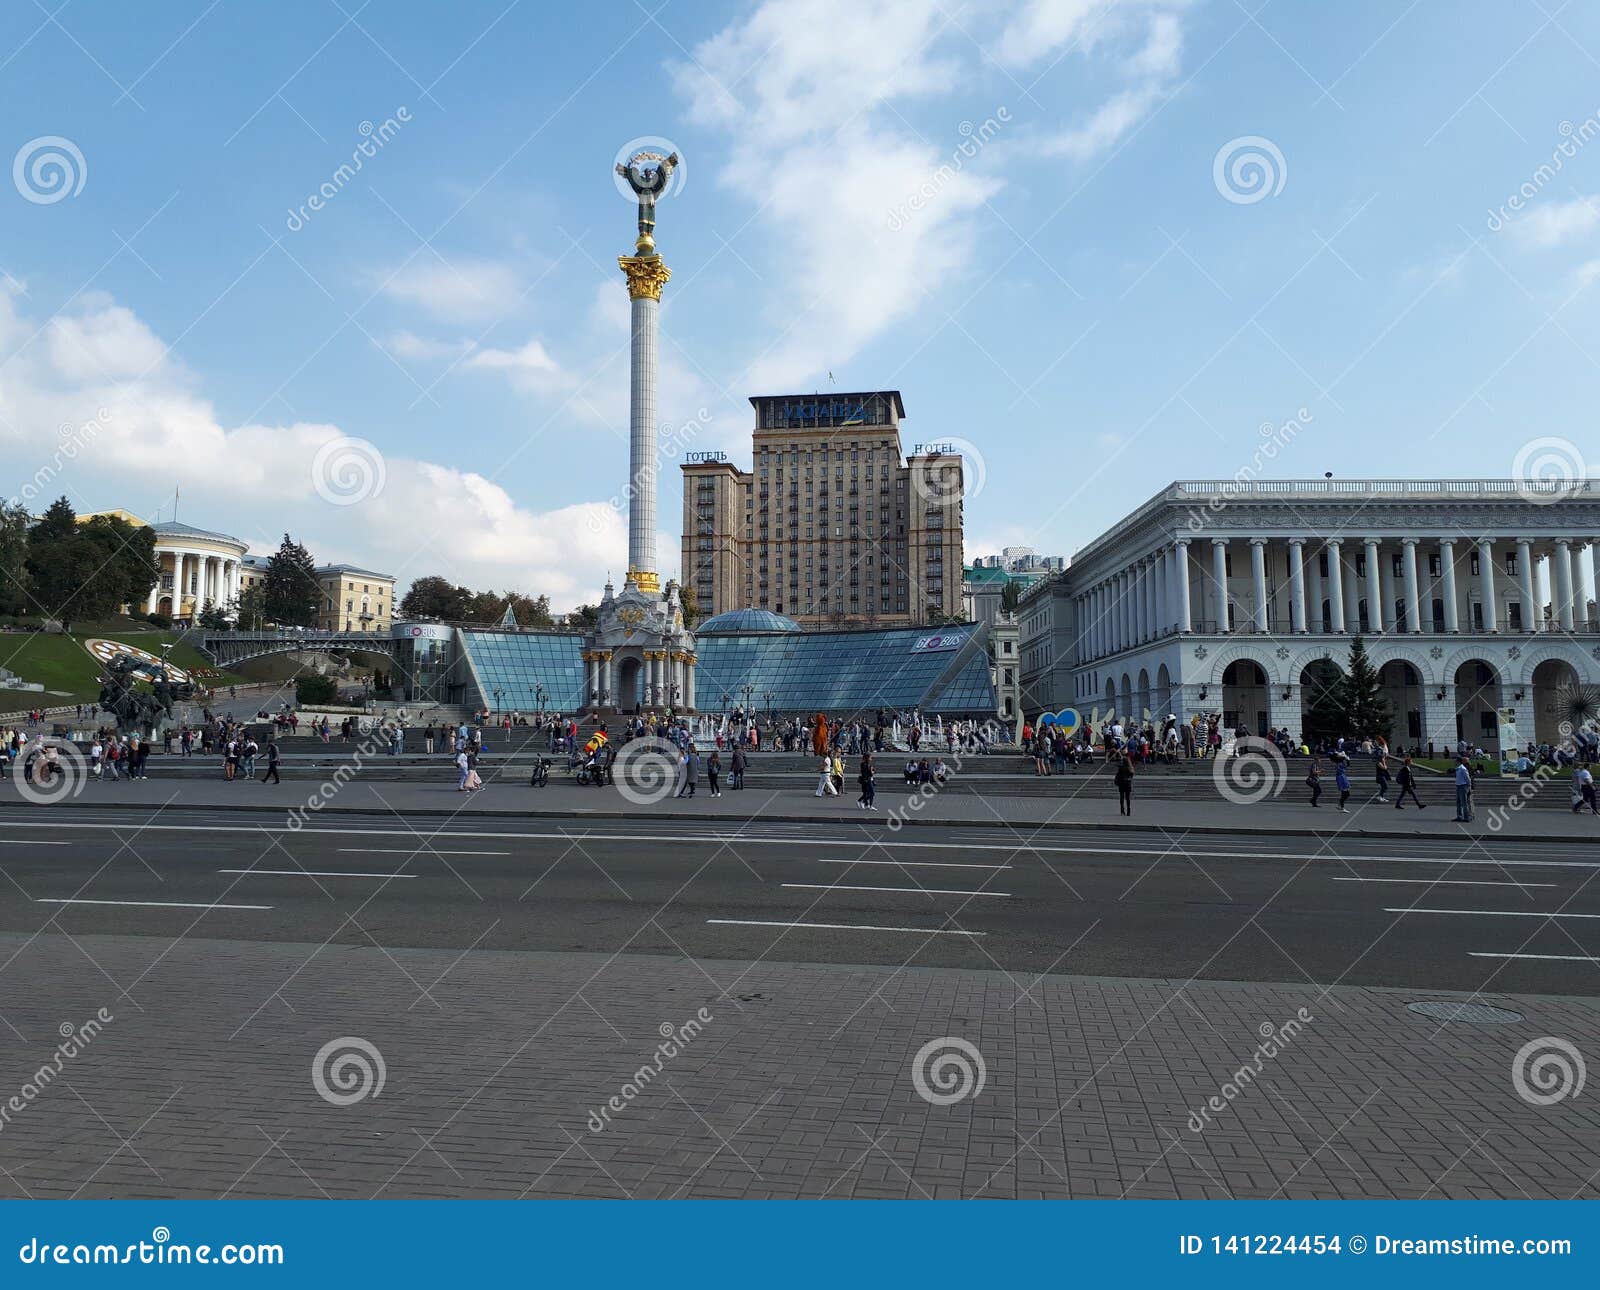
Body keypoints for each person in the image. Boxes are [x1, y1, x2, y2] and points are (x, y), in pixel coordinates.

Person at [1453, 756, 1473, 822]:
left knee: (1464, 803)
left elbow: (1467, 778)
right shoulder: (1457, 768)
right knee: (1458, 802)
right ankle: (1459, 816)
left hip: (1463, 786)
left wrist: (1469, 786)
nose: (1454, 762)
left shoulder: (1463, 769)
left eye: (1455, 761)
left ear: (1458, 762)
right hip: (1458, 786)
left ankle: (1466, 817)